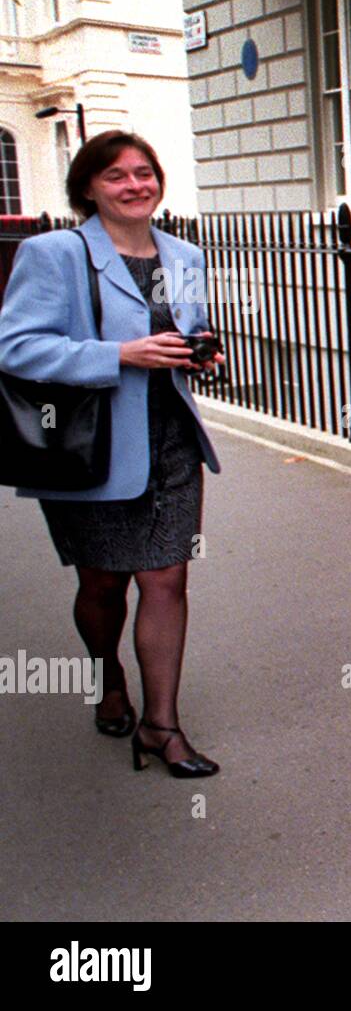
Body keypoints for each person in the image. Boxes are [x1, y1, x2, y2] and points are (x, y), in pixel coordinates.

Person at [0, 131, 225, 777]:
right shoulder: (54, 253)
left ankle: (162, 726)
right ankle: (107, 677)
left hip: (171, 441)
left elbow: (184, 330)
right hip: (91, 446)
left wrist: (200, 352)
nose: (134, 185)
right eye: (117, 175)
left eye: (144, 172)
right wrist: (118, 355)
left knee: (167, 578)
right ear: (89, 188)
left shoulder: (184, 254)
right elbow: (15, 347)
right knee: (103, 583)